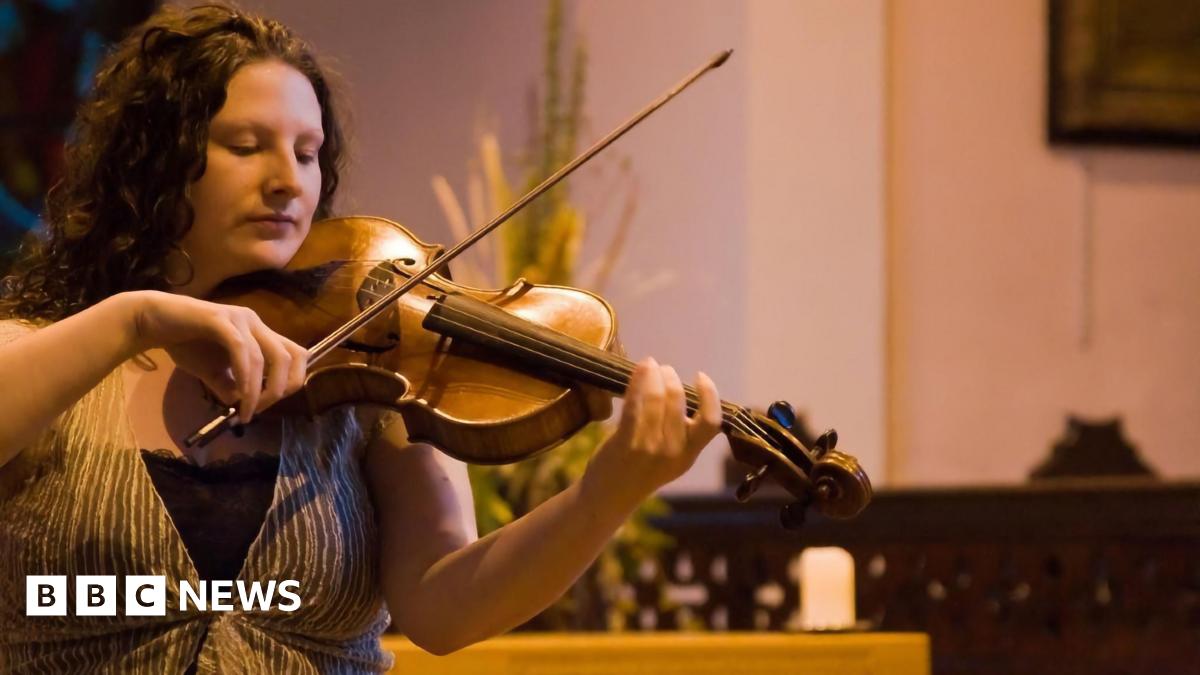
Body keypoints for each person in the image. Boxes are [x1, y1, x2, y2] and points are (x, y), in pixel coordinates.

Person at [0, 4, 722, 673]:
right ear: (155, 162)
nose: (288, 181)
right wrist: (136, 319)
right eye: (246, 146)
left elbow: (444, 607)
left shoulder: (373, 367)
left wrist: (605, 493)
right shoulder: (45, 349)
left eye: (307, 153)